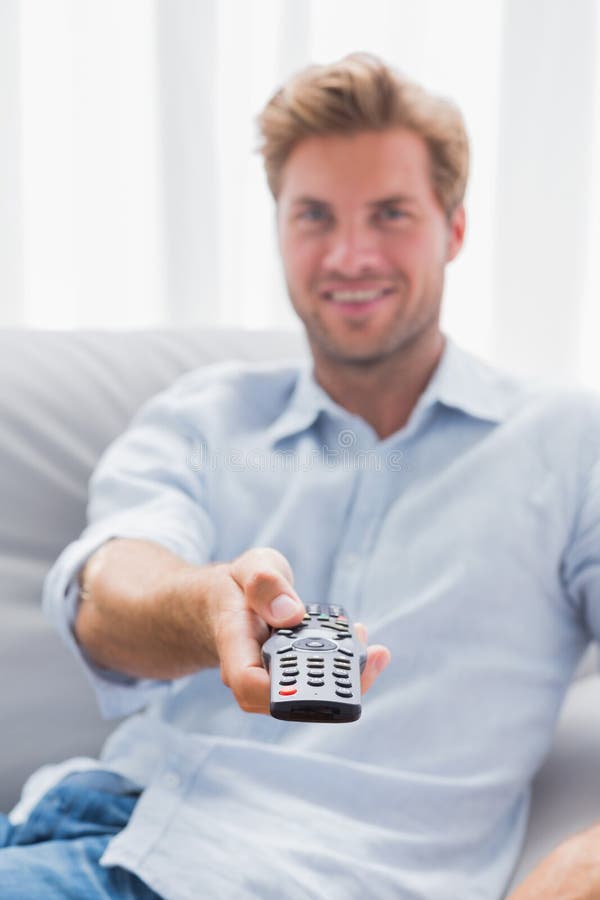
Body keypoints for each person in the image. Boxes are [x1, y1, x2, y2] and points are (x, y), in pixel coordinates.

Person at [1, 51, 599, 900]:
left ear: (454, 229)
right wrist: (208, 608)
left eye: (390, 213)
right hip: (88, 834)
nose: (350, 255)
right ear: (280, 229)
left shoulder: (570, 444)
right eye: (314, 216)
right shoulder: (201, 417)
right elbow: (109, 593)